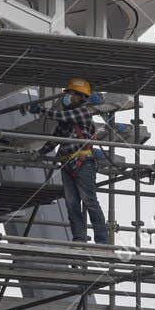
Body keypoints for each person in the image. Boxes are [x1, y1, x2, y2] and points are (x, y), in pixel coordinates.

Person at [53, 77, 112, 246]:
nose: (66, 97)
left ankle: (102, 240)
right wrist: (39, 153)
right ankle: (79, 238)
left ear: (80, 97)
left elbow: (56, 115)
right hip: (66, 164)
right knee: (72, 204)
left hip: (83, 162)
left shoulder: (81, 112)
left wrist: (39, 110)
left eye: (70, 94)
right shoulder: (66, 120)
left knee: (89, 201)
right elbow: (54, 138)